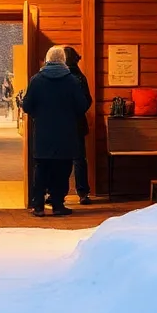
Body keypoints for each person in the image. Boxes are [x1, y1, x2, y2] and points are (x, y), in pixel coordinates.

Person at [22, 46, 91, 216]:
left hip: (43, 131)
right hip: (66, 132)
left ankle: (38, 205)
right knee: (62, 169)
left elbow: (27, 105)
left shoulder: (36, 80)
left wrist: (38, 115)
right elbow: (82, 105)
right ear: (63, 60)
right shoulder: (72, 80)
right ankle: (58, 204)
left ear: (47, 59)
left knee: (41, 168)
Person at [64, 46, 94, 205]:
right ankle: (83, 193)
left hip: (62, 124)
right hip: (78, 123)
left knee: (61, 159)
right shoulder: (80, 77)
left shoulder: (61, 76)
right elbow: (88, 100)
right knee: (79, 159)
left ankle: (58, 193)